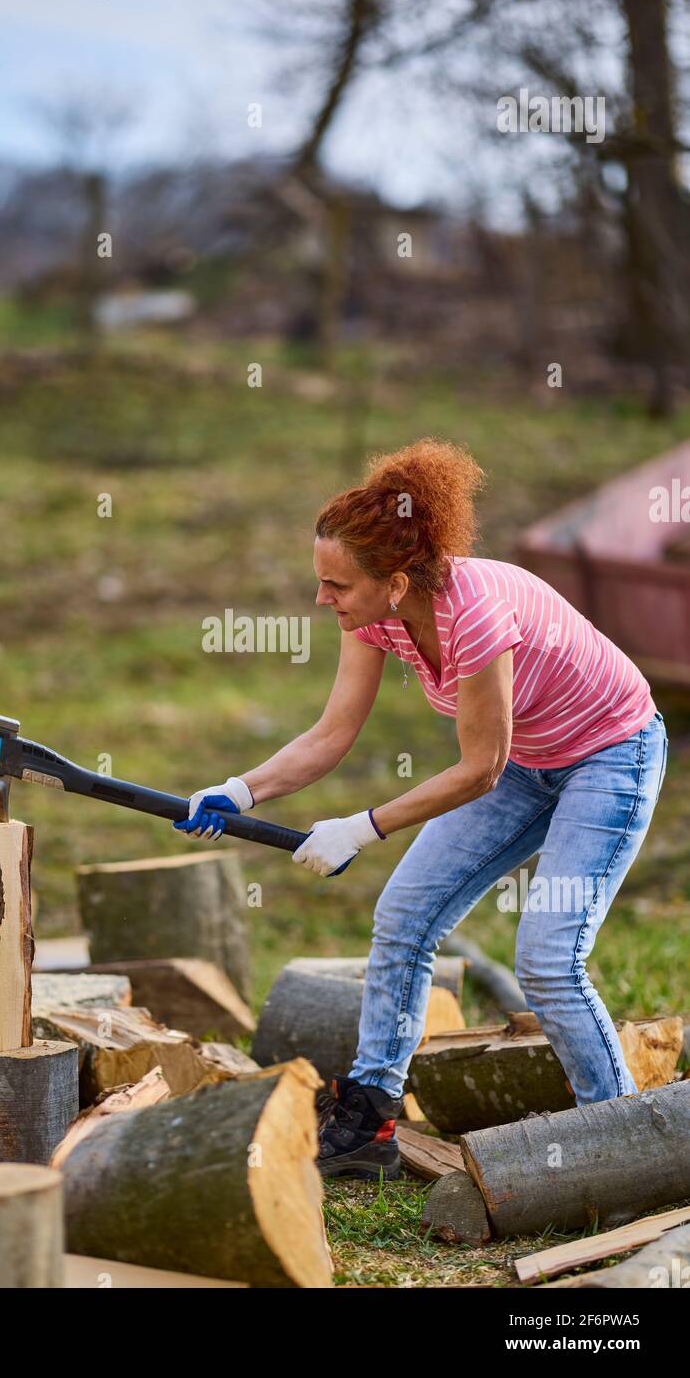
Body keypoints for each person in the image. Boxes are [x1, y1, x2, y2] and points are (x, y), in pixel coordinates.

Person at [174, 440, 668, 1180]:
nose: (321, 598)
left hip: (608, 754)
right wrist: (241, 789)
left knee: (547, 958)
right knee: (403, 914)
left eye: (335, 584)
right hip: (526, 761)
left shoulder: (475, 616)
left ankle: (630, 1149)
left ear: (396, 580)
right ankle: (371, 1118)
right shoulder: (374, 617)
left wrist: (361, 827)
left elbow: (478, 768)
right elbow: (332, 733)